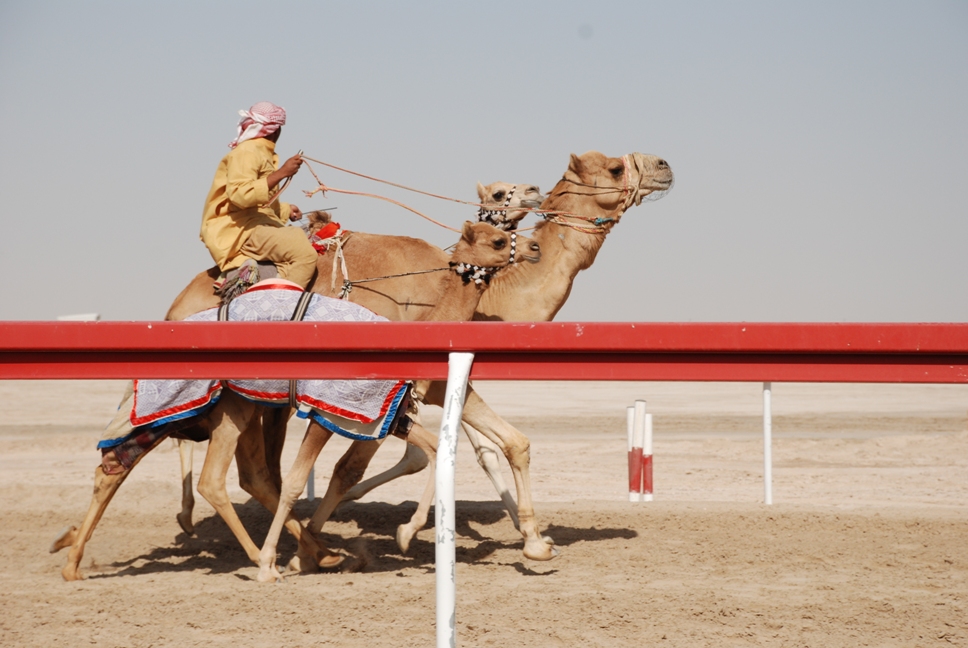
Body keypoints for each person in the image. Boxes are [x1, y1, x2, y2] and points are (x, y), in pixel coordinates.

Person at [199, 101, 317, 290]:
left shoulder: (262, 153)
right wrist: (282, 173)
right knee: (305, 254)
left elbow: (261, 201)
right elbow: (240, 195)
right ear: (275, 130)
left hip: (252, 223)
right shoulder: (247, 152)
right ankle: (280, 306)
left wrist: (285, 210)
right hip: (238, 229)